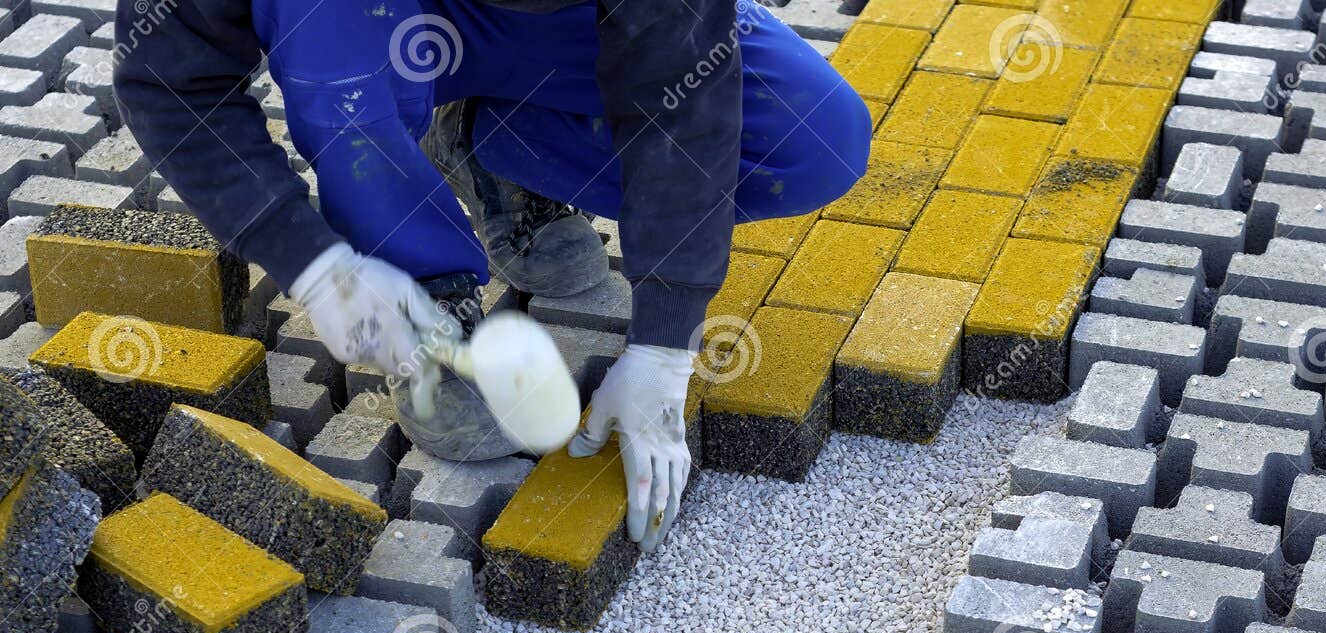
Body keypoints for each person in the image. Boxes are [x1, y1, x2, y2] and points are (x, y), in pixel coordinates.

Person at [115, 0, 870, 552]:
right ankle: (425, 302)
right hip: (374, 26)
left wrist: (666, 340)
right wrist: (313, 262)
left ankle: (494, 141)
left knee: (815, 139)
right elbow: (166, 81)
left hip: (548, 27)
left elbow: (687, 90)